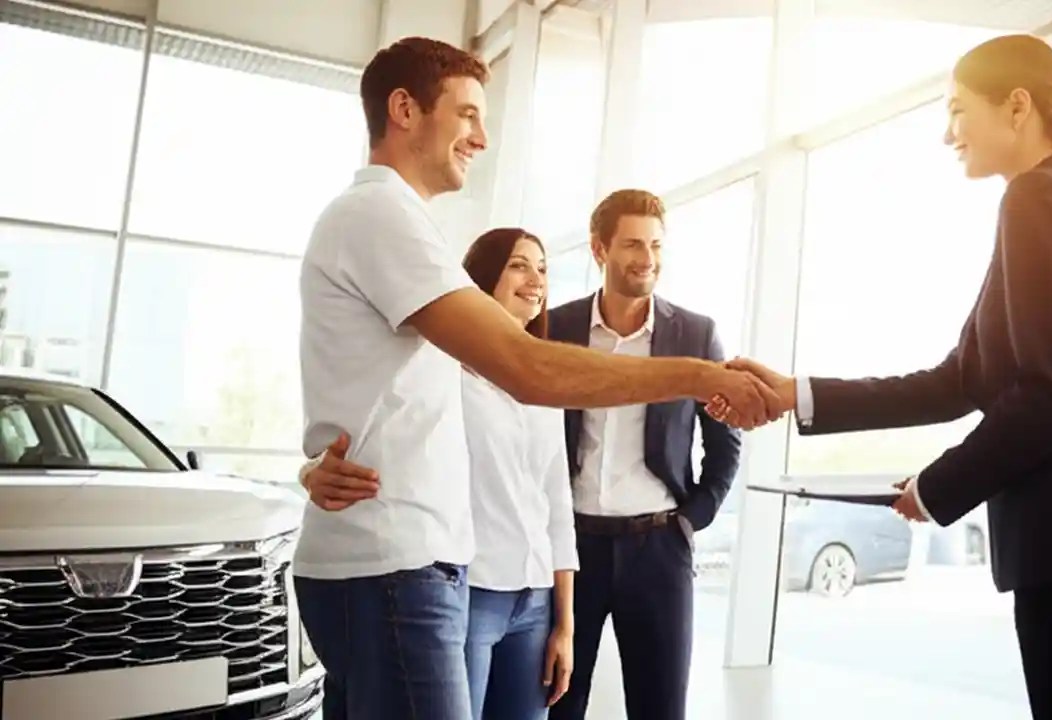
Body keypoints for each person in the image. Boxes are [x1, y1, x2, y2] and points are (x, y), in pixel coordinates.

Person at [293, 36, 779, 720]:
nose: (482, 137)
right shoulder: (382, 216)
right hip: (394, 564)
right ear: (404, 109)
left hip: (406, 562)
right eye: (466, 115)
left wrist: (314, 461)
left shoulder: (395, 222)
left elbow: (384, 395)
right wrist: (703, 376)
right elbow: (528, 368)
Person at [720, 34, 1052, 720]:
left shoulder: (1038, 200)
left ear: (1018, 106)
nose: (949, 134)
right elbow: (960, 380)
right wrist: (797, 393)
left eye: (959, 111)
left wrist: (940, 487)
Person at [305, 228, 578, 720]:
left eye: (542, 267)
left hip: (534, 600)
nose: (535, 279)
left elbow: (557, 503)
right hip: (470, 593)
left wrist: (566, 623)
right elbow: (380, 433)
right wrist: (310, 469)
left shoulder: (545, 388)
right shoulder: (442, 369)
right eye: (519, 265)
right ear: (483, 275)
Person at [546, 190, 742, 720]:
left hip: (658, 546)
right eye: (633, 244)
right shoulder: (556, 328)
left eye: (656, 245)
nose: (647, 258)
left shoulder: (695, 334)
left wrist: (691, 519)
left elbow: (725, 442)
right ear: (599, 249)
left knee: (660, 709)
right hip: (571, 548)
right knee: (557, 703)